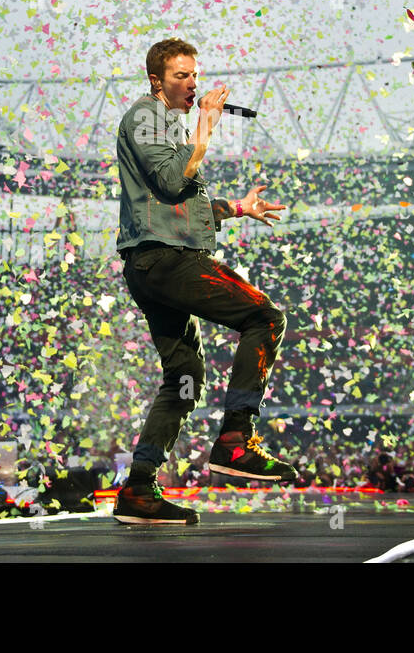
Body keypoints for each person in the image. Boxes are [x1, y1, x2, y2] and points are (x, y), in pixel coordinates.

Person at [112, 38, 294, 526]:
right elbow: (174, 182)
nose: (193, 84)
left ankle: (138, 491)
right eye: (181, 76)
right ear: (156, 81)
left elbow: (179, 205)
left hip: (156, 262)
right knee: (265, 317)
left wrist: (238, 208)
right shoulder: (145, 117)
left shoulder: (166, 124)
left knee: (185, 380)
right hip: (167, 261)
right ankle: (235, 440)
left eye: (195, 74)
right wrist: (207, 125)